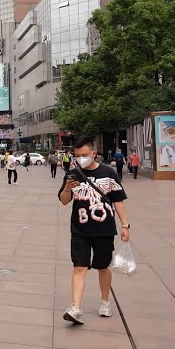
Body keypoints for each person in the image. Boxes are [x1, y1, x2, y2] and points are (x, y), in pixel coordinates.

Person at [58, 135, 129, 325]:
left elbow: (118, 201)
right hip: (80, 230)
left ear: (94, 153)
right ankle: (75, 308)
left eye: (84, 155)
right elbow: (64, 201)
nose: (81, 159)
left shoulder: (108, 173)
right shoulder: (72, 174)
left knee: (102, 267)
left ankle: (105, 302)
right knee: (79, 267)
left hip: (104, 229)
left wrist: (124, 225)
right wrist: (66, 188)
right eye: (77, 155)